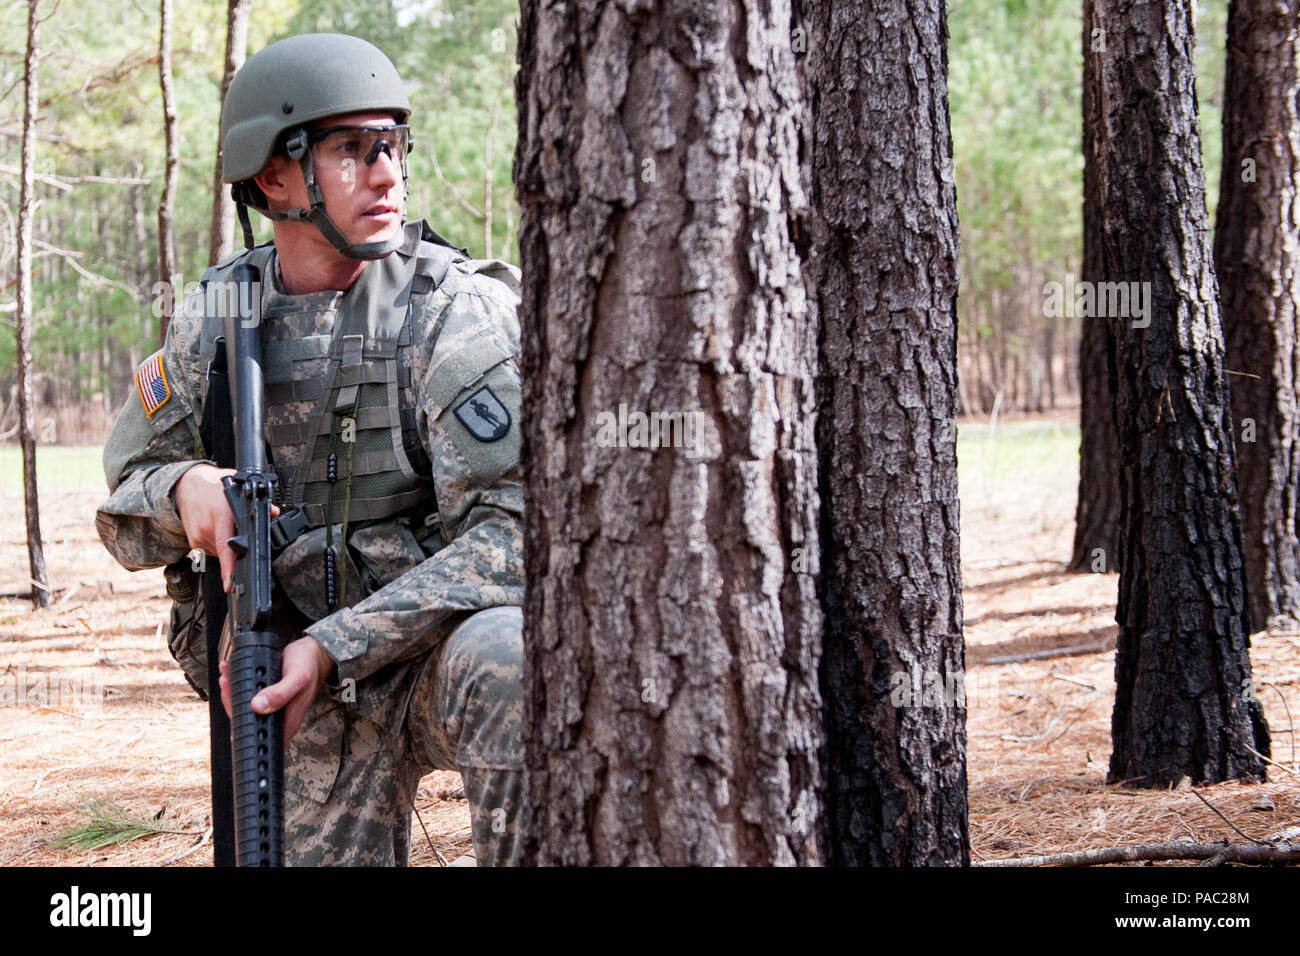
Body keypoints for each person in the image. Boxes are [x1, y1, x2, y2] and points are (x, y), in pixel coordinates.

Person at [95, 33, 524, 866]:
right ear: (273, 176)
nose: (388, 174)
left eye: (393, 145)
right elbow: (122, 509)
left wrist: (337, 646)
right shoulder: (217, 319)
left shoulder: (451, 313)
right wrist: (184, 490)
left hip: (420, 660)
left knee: (512, 657)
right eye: (352, 151)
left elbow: (517, 533)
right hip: (288, 694)